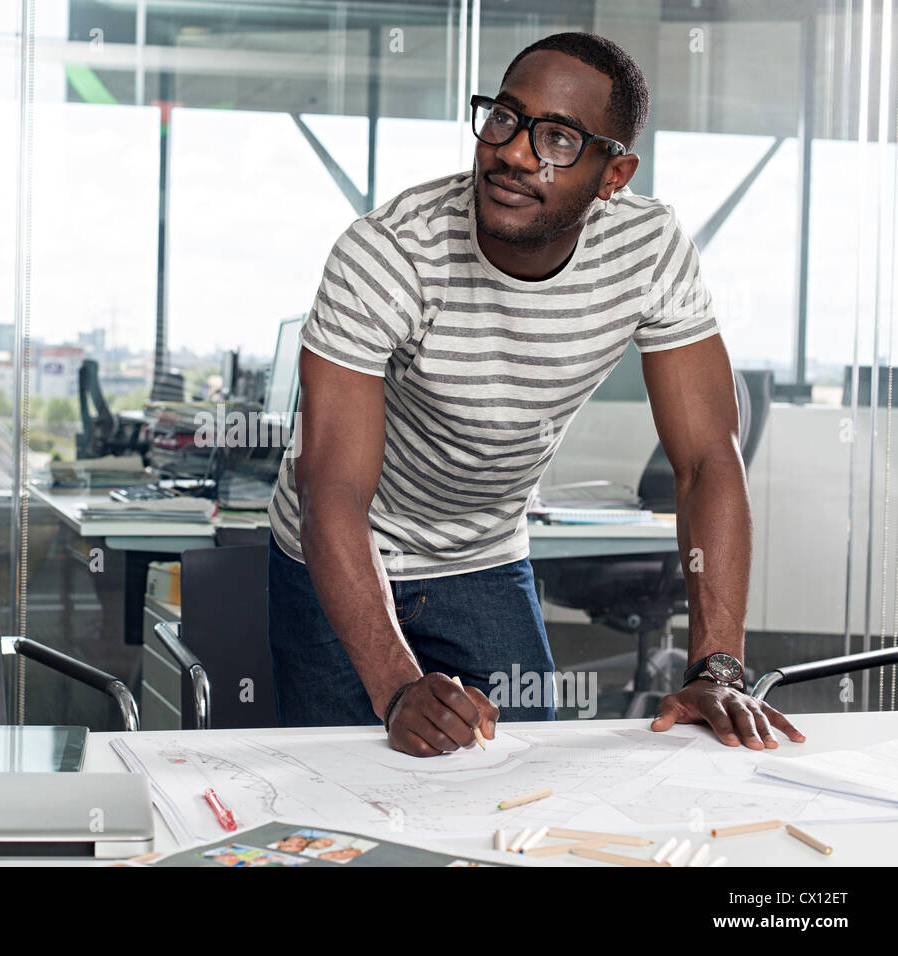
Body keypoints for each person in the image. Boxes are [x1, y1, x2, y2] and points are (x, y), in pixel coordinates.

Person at [266, 31, 805, 758]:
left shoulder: (649, 249)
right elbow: (331, 483)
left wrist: (719, 668)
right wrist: (399, 687)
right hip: (338, 550)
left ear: (614, 174)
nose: (515, 152)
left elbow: (709, 458)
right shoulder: (389, 252)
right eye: (504, 119)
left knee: (519, 792)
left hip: (484, 552)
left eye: (557, 138)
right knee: (345, 792)